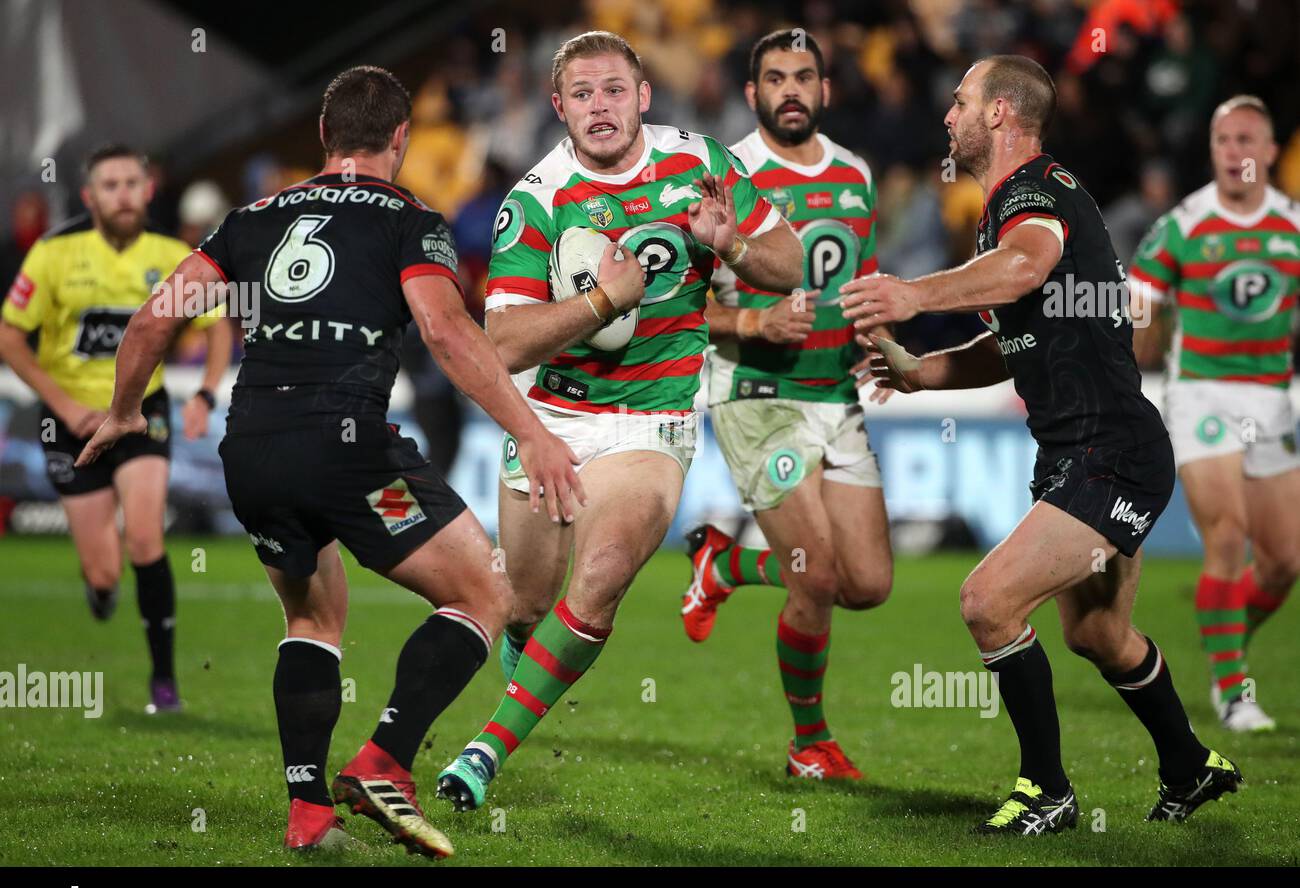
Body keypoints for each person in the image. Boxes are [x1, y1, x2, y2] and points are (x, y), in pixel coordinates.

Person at [76, 66, 583, 856]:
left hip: (251, 451)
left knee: (313, 616)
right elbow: (448, 334)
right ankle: (385, 760)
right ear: (402, 139)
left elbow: (150, 323)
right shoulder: (410, 217)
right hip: (344, 448)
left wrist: (123, 411)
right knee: (484, 592)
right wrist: (532, 431)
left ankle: (308, 814)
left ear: (322, 136)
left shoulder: (252, 216)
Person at [853, 55, 1240, 833]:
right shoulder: (1023, 207)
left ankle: (1048, 791)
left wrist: (914, 292)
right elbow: (1010, 338)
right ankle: (1191, 765)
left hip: (1109, 452)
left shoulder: (1032, 197)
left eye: (960, 101)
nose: (948, 116)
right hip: (1084, 450)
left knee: (986, 602)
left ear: (999, 113)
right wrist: (920, 371)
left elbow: (1025, 267)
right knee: (1097, 632)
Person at [436, 30, 802, 811]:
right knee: (528, 603)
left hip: (654, 420)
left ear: (642, 95)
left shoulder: (703, 164)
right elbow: (500, 342)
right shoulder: (535, 198)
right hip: (551, 418)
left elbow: (791, 263)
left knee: (599, 580)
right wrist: (603, 302)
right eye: (582, 94)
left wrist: (730, 243)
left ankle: (483, 751)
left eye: (613, 90)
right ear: (558, 106)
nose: (599, 107)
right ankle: (524, 648)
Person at [681, 29, 892, 780]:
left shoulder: (855, 172)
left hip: (836, 393)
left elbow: (861, 274)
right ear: (751, 94)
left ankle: (724, 565)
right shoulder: (727, 172)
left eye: (805, 76)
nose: (791, 90)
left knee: (868, 585)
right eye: (775, 78)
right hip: (755, 391)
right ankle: (810, 743)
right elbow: (676, 302)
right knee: (816, 579)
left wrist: (879, 339)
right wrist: (752, 322)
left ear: (826, 90)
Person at [0, 145, 232, 713]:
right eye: (111, 185)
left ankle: (164, 683)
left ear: (149, 190)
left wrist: (204, 393)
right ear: (89, 196)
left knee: (147, 538)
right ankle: (100, 589)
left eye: (133, 183)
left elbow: (218, 325)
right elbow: (9, 337)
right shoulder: (54, 254)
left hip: (141, 414)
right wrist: (61, 405)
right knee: (104, 570)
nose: (123, 194)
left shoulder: (175, 255)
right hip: (70, 421)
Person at [1130, 96, 1300, 732]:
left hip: (1271, 398)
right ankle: (1234, 688)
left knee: (1284, 561)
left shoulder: (1291, 225)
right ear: (1211, 149)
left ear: (1271, 151)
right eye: (1223, 139)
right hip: (1201, 394)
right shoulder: (1184, 225)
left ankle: (1223, 635)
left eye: (1247, 139)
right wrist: (1128, 368)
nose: (1235, 152)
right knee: (1227, 536)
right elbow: (1139, 304)